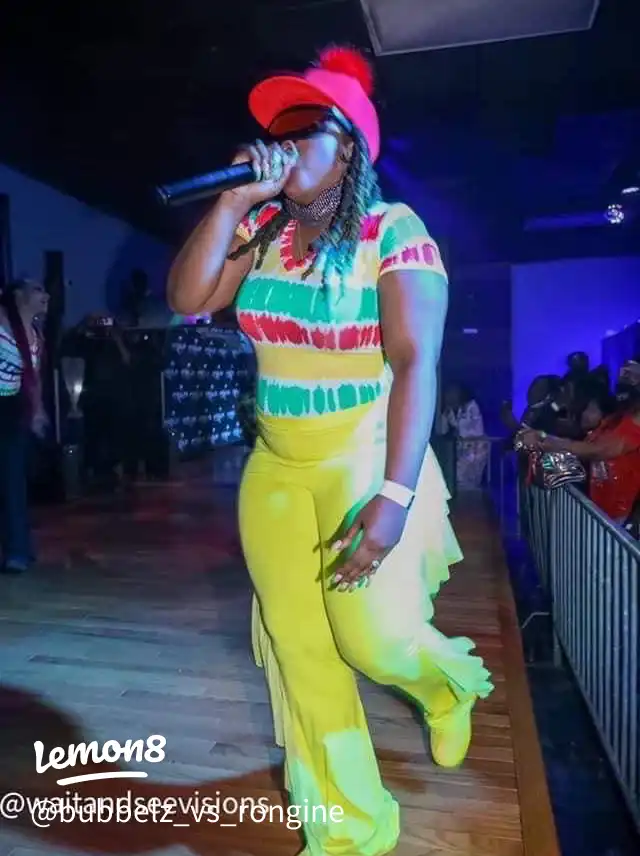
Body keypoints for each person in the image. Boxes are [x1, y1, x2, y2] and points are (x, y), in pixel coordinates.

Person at [167, 46, 493, 856]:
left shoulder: (395, 232)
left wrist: (394, 496)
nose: (282, 141)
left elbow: (417, 361)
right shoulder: (260, 229)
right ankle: (351, 829)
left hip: (363, 449)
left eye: (305, 128)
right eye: (274, 129)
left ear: (350, 146)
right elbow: (187, 297)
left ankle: (446, 686)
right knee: (302, 648)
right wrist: (233, 200)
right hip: (276, 465)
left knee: (372, 636)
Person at [525, 357, 640, 526]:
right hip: (601, 512)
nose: (624, 378)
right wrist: (545, 440)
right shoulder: (616, 418)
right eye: (623, 373)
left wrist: (547, 440)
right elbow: (587, 447)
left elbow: (601, 449)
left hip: (621, 519)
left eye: (632, 375)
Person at [0, 278, 49, 573]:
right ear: (18, 296)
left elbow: (35, 378)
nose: (46, 295)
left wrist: (39, 411)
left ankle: (19, 550)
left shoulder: (35, 335)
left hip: (13, 407)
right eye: (39, 290)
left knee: (13, 478)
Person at [439, 383, 488, 489]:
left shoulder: (472, 406)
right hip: (461, 449)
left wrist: (459, 432)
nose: (449, 396)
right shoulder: (449, 410)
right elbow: (443, 431)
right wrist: (444, 414)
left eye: (452, 393)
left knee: (471, 479)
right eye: (448, 394)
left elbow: (476, 429)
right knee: (458, 478)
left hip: (476, 448)